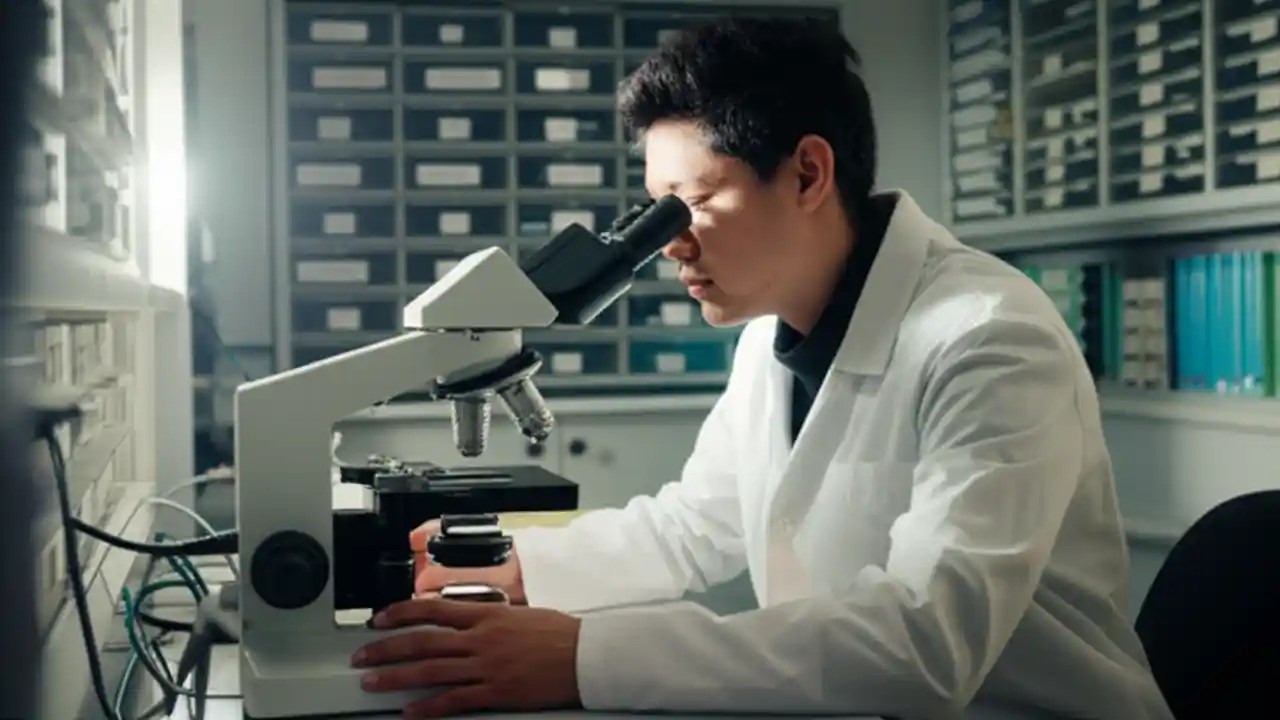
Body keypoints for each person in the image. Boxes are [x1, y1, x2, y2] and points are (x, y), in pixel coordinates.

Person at [350, 16, 1174, 720]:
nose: (670, 244)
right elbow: (698, 524)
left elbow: (929, 640)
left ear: (809, 173)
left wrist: (583, 655)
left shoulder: (992, 338)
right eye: (653, 208)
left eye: (694, 203)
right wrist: (516, 564)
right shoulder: (772, 331)